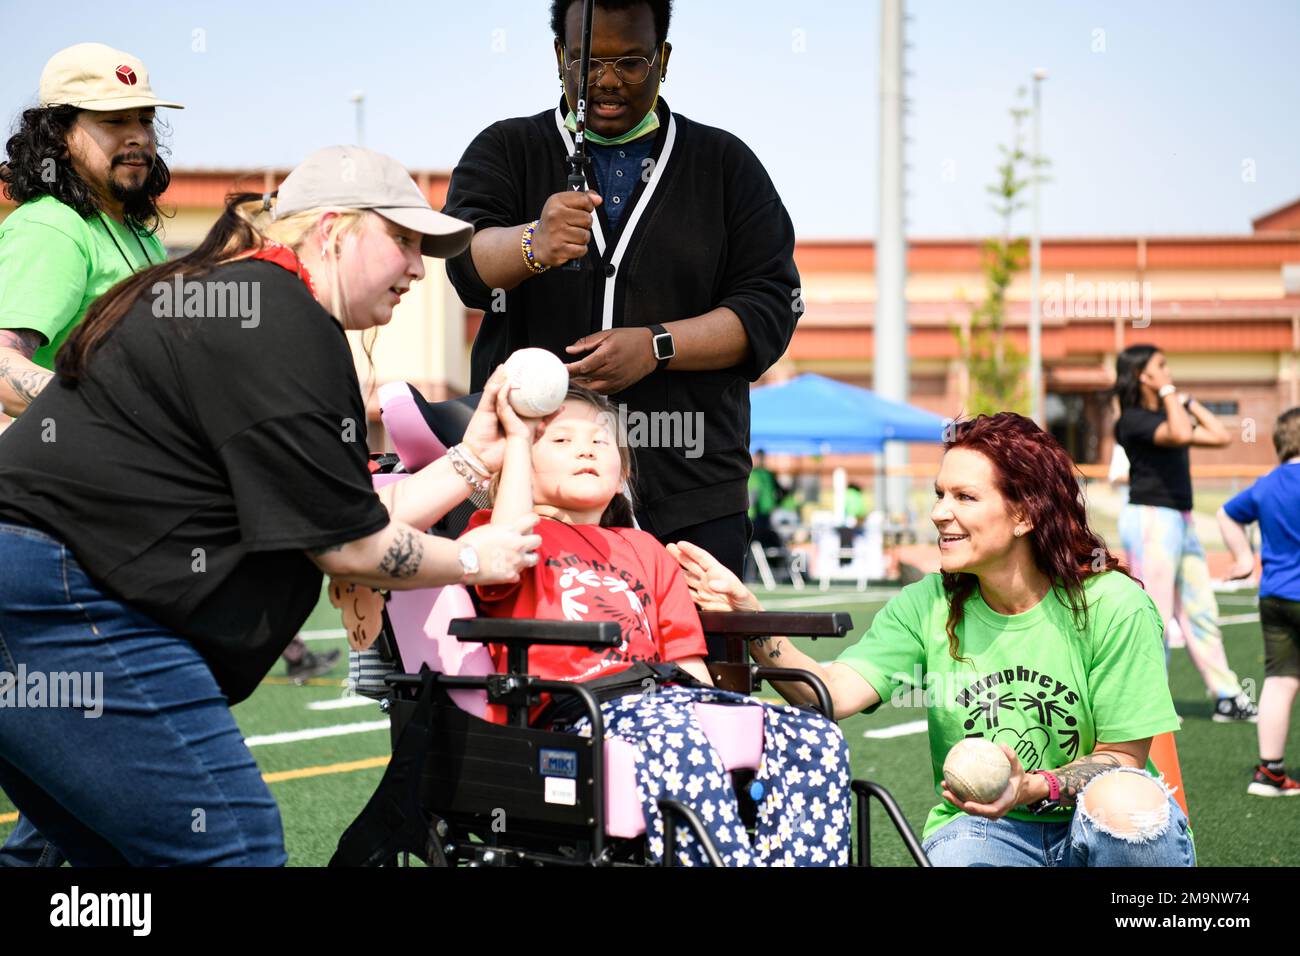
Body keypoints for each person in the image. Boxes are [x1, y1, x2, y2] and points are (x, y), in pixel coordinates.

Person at [0, 146, 543, 865]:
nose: (419, 268)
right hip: (61, 598)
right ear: (332, 231)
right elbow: (350, 548)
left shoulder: (255, 302)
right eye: (403, 241)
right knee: (233, 844)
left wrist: (470, 457)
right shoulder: (282, 320)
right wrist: (476, 556)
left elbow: (347, 516)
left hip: (41, 595)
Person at [441, 0, 802, 660]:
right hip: (533, 493)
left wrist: (657, 346)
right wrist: (533, 242)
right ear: (559, 59)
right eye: (586, 62)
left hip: (691, 483)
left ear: (664, 60)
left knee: (705, 680)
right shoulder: (507, 149)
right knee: (534, 686)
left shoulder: (725, 165)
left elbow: (770, 310)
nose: (607, 81)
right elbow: (465, 264)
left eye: (630, 62)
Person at [671, 413, 1195, 867]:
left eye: (965, 497)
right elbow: (827, 693)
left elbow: (1122, 758)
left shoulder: (1113, 604)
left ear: (1025, 514)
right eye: (940, 494)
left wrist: (1032, 786)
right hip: (984, 830)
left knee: (1127, 803)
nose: (940, 512)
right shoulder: (927, 602)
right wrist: (752, 616)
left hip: (1091, 817)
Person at [466, 384, 852, 866]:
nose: (586, 448)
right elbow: (505, 553)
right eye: (559, 440)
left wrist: (716, 711)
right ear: (516, 462)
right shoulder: (495, 536)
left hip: (660, 699)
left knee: (814, 737)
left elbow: (686, 662)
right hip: (569, 711)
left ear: (623, 468)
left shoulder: (645, 548)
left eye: (601, 440)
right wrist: (517, 439)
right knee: (676, 734)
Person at [0, 40, 183, 869]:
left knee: (93, 779)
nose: (136, 134)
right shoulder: (53, 228)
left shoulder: (129, 235)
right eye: (112, 121)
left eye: (143, 117)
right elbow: (3, 363)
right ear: (57, 132)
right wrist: (104, 426)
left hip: (108, 534)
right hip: (55, 537)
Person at [1113, 344, 1257, 721]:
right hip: (1151, 520)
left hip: (1181, 519)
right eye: (1160, 366)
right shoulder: (1133, 419)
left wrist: (1185, 399)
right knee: (1155, 616)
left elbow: (1219, 436)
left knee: (1202, 611)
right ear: (1143, 375)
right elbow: (1178, 434)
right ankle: (1151, 704)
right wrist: (1168, 393)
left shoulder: (1170, 409)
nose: (1168, 370)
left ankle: (1227, 696)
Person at [1217, 407, 1300, 796]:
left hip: (1274, 597)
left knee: (1280, 682)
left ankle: (1270, 773)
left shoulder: (1266, 484)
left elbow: (1226, 514)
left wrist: (1244, 559)